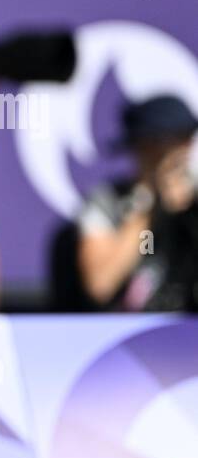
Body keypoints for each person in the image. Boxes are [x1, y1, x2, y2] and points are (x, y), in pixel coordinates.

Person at [77, 94, 198, 311]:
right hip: (132, 328)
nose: (183, 147)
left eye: (187, 136)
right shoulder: (111, 202)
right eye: (167, 140)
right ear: (141, 146)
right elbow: (102, 284)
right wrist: (149, 208)